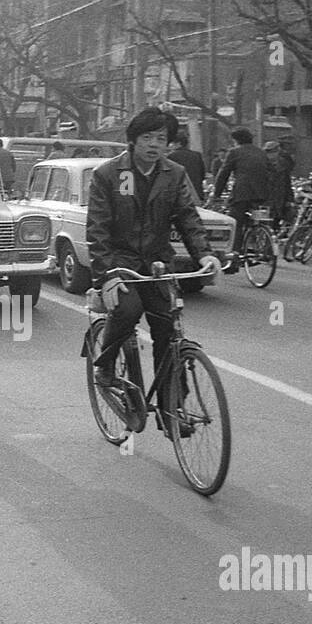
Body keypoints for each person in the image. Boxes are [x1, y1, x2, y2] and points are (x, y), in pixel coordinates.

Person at [88, 108, 220, 435]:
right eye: (147, 138)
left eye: (161, 139)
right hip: (120, 264)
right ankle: (105, 365)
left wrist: (204, 256)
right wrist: (108, 275)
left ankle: (171, 409)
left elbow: (188, 218)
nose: (154, 145)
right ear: (132, 141)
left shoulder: (173, 174)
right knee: (128, 310)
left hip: (158, 266)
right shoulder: (107, 175)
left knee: (169, 333)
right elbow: (98, 230)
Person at [213, 127, 270, 254]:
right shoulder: (261, 152)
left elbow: (224, 173)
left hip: (243, 193)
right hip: (262, 194)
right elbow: (271, 171)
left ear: (236, 140)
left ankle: (234, 254)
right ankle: (264, 245)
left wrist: (216, 194)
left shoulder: (235, 152)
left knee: (234, 223)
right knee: (260, 219)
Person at [262, 140, 295, 232]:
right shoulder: (261, 164)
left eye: (273, 152)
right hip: (265, 198)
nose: (271, 155)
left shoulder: (283, 164)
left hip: (280, 198)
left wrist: (290, 199)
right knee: (265, 225)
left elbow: (287, 183)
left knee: (277, 224)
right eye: (268, 152)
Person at [167, 130, 207, 201]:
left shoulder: (171, 157)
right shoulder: (197, 155)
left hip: (180, 195)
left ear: (179, 143)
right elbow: (202, 175)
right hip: (197, 193)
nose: (170, 146)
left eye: (172, 143)